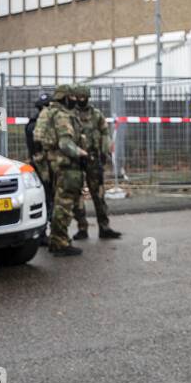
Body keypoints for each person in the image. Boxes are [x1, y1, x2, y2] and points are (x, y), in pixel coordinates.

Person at [31, 84, 85, 257]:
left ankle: (56, 239)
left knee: (57, 203)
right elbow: (65, 143)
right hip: (65, 164)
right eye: (73, 97)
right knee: (64, 204)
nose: (76, 100)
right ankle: (60, 241)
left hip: (51, 164)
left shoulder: (48, 112)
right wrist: (82, 154)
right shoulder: (61, 115)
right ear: (65, 98)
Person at [71, 84, 121, 241]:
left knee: (98, 194)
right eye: (78, 97)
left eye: (83, 97)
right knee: (77, 195)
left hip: (93, 158)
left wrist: (105, 151)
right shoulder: (70, 115)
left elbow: (105, 133)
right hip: (76, 159)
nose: (81, 100)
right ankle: (82, 228)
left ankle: (104, 227)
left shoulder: (96, 114)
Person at [25, 91, 53, 245]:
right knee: (48, 199)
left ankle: (43, 233)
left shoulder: (32, 123)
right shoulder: (38, 126)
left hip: (38, 166)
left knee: (47, 199)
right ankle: (42, 234)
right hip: (43, 167)